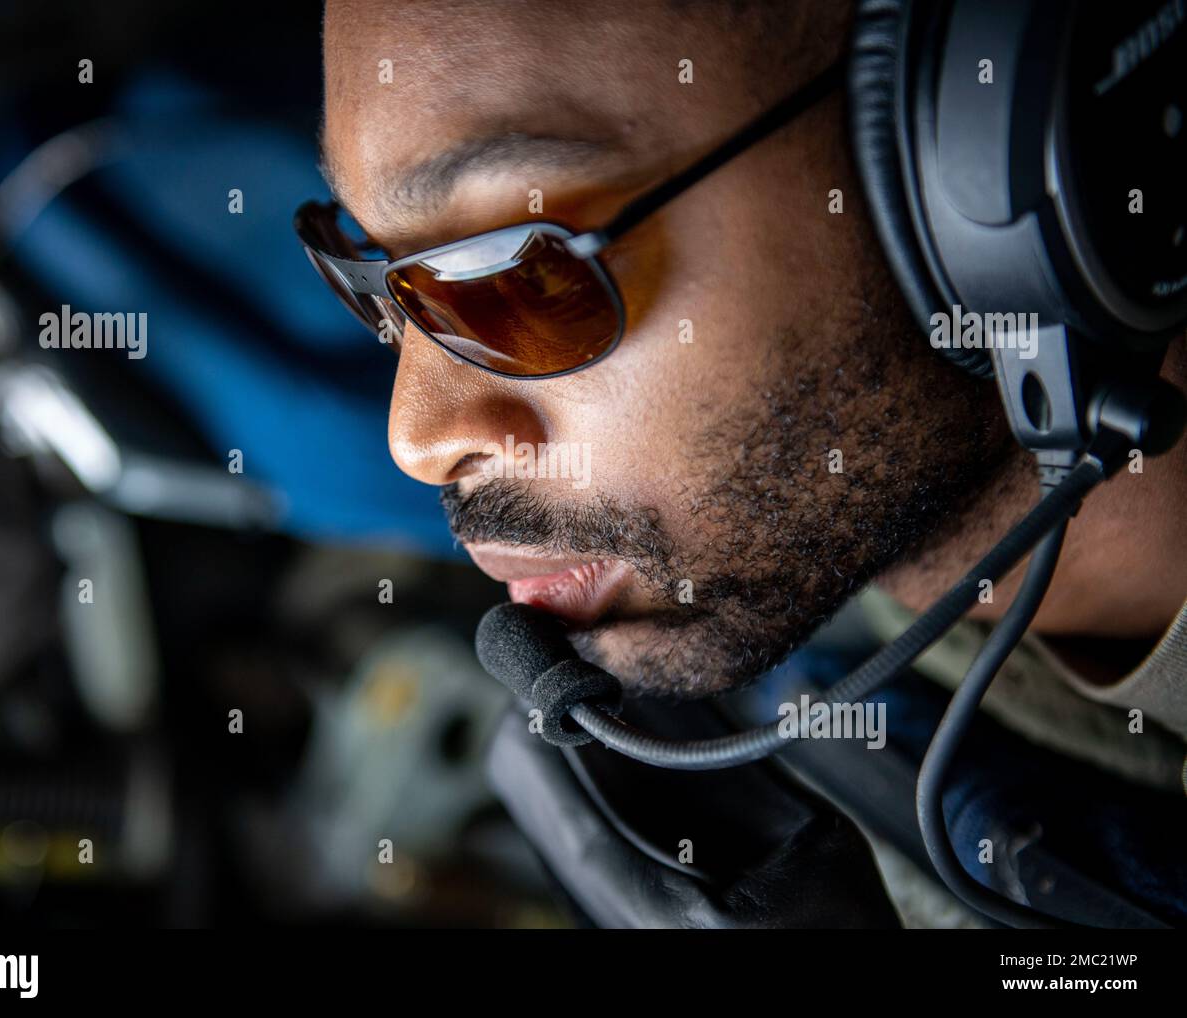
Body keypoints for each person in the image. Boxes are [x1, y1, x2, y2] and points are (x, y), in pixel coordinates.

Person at [304, 0, 1187, 926]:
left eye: (520, 274)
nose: (415, 438)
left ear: (997, 124)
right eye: (373, 274)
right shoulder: (835, 684)